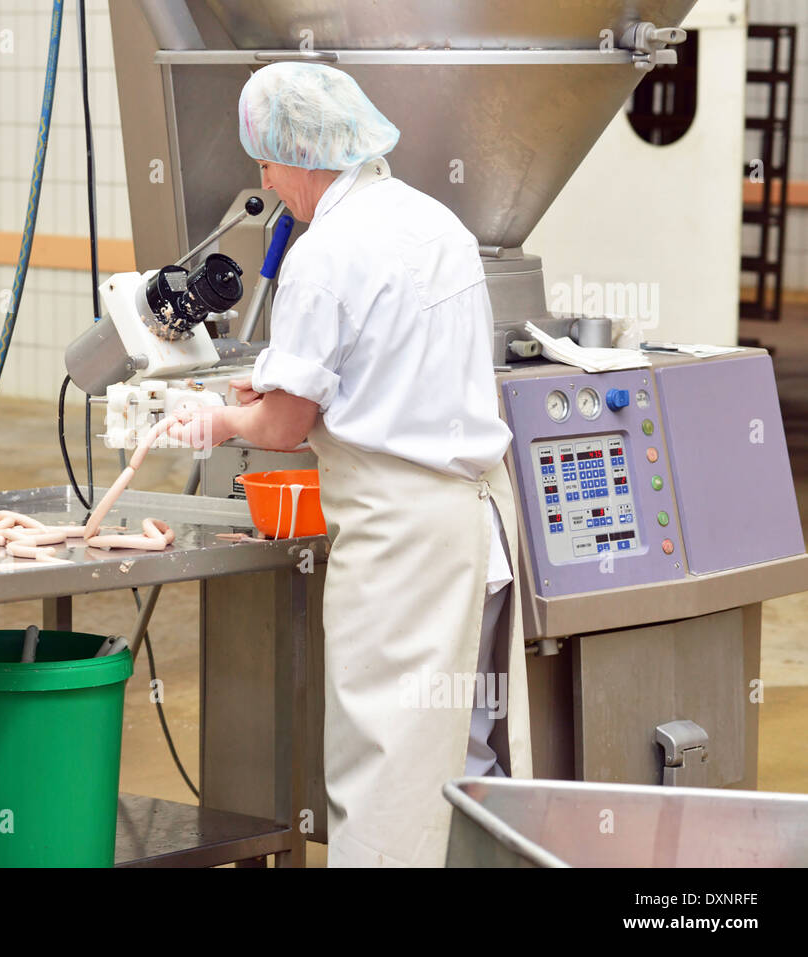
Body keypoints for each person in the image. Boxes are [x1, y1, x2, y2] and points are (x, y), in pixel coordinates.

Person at [170, 62, 533, 867]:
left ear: (302, 155)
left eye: (265, 161)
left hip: (401, 544)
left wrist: (220, 415)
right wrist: (285, 382)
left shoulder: (325, 253)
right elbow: (394, 369)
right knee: (468, 752)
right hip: (479, 532)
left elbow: (285, 426)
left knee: (386, 774)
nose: (263, 178)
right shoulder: (436, 222)